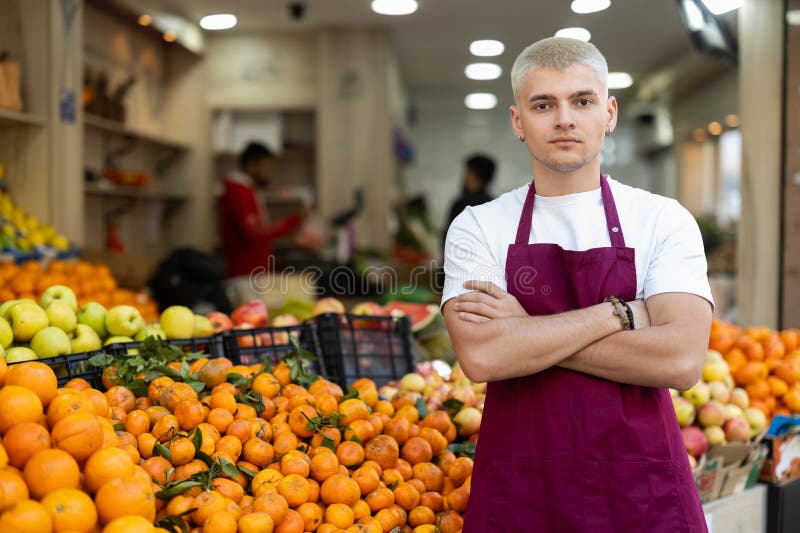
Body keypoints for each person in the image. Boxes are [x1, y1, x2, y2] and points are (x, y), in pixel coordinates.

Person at [442, 37, 713, 532]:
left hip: (642, 490)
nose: (564, 119)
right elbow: (483, 357)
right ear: (518, 121)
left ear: (609, 113)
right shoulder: (478, 226)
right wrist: (620, 314)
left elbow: (680, 360)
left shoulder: (662, 219)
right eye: (543, 105)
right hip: (521, 491)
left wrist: (527, 334)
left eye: (582, 101)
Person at [220, 142, 307, 280]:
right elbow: (254, 235)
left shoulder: (247, 190)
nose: (269, 172)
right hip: (245, 275)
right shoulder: (239, 193)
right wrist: (294, 221)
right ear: (251, 166)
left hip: (253, 273)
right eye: (266, 166)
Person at [442, 154, 496, 248]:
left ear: (472, 174)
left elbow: (448, 241)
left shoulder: (460, 205)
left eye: (466, 173)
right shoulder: (494, 205)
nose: (463, 178)